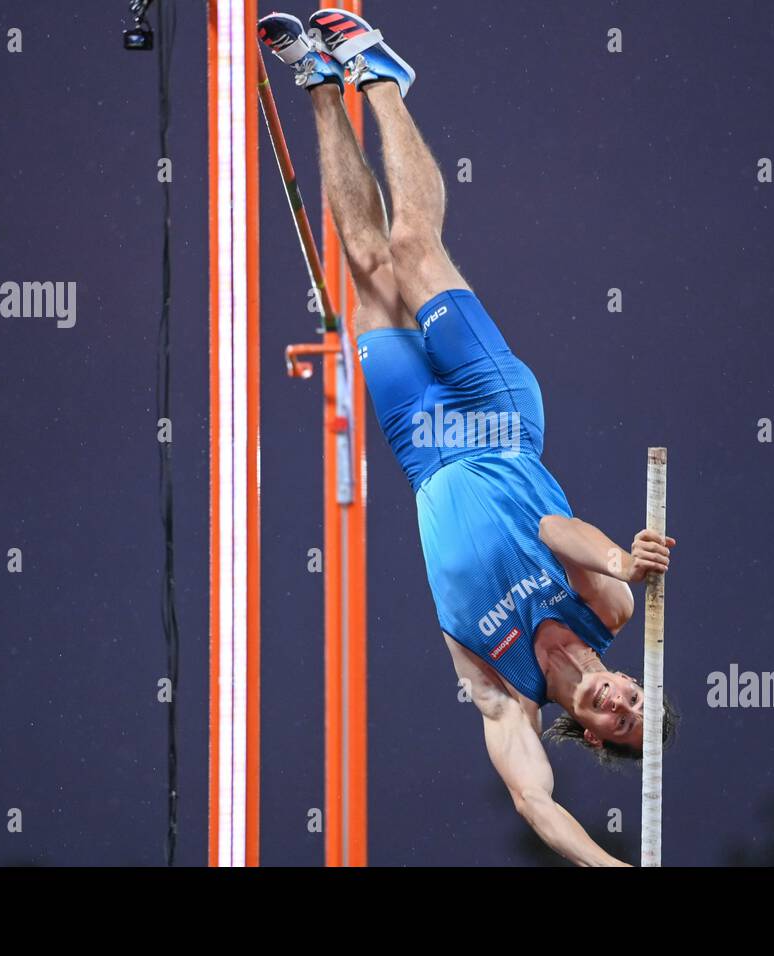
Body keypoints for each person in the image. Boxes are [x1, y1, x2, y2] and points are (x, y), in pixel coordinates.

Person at [261, 9, 678, 866]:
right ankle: (379, 75)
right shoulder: (611, 609)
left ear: (594, 735)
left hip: (420, 445)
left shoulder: (499, 694)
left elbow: (535, 804)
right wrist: (619, 562)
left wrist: (608, 868)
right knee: (415, 245)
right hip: (497, 417)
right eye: (634, 699)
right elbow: (556, 533)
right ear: (635, 678)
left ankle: (316, 84)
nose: (618, 702)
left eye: (617, 723)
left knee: (365, 261)